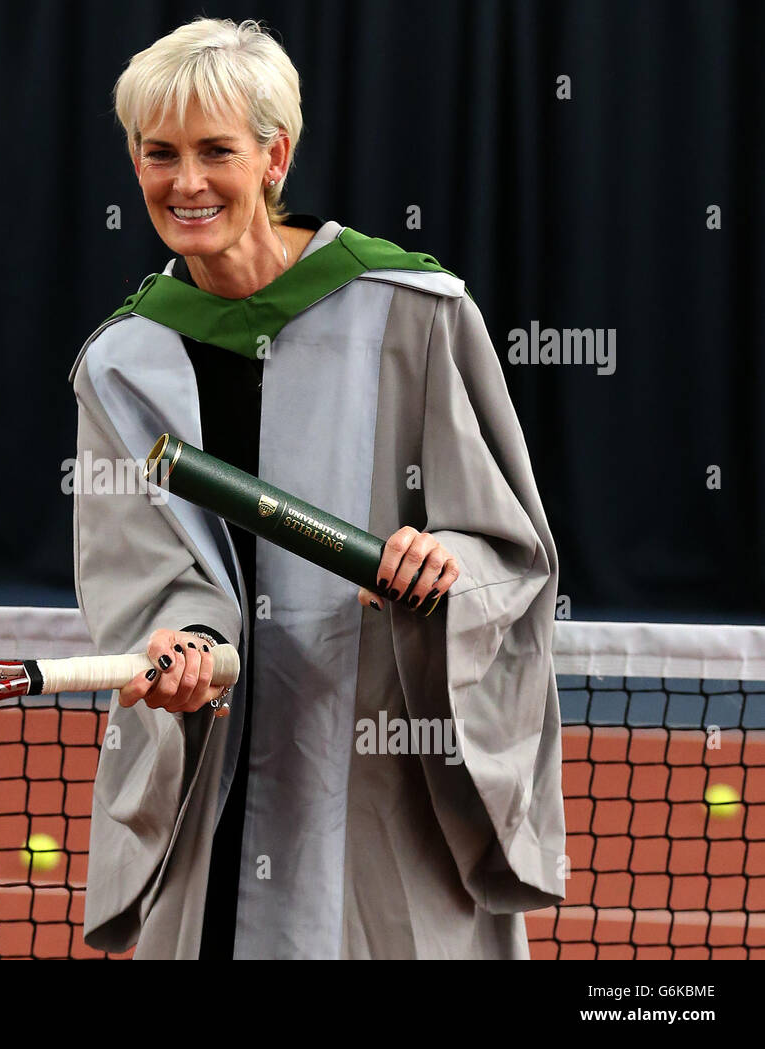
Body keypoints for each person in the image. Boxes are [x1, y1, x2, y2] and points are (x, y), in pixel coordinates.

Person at [70, 17, 565, 959]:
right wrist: (185, 650)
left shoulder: (416, 313)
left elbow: (511, 552)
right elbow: (137, 575)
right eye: (158, 153)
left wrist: (444, 560)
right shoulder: (121, 363)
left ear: (274, 156)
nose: (186, 183)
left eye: (217, 150)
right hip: (214, 790)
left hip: (388, 776)